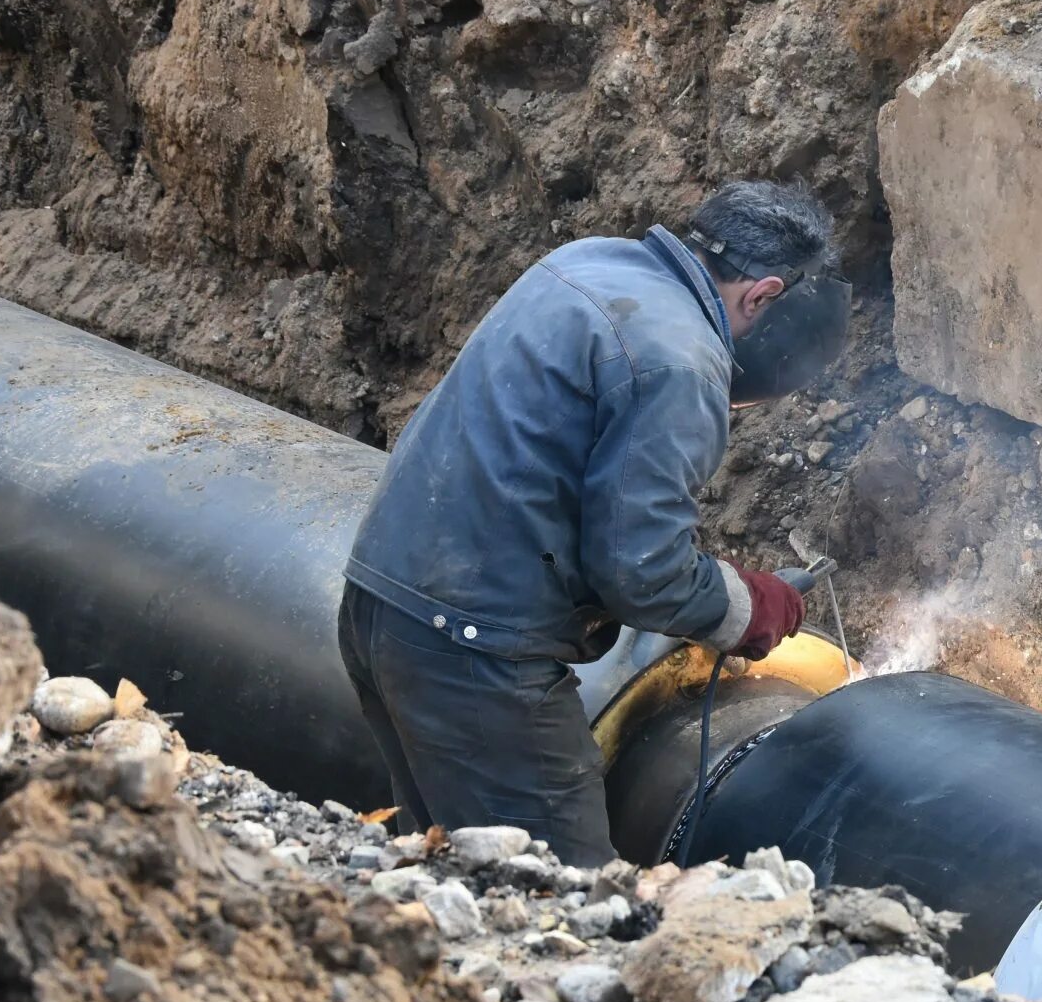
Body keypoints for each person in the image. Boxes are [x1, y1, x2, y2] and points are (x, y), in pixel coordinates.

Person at [337, 181, 847, 864]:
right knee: (565, 901)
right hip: (472, 651)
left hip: (379, 604)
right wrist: (748, 607)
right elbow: (641, 572)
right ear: (762, 295)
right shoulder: (680, 357)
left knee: (448, 870)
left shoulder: (585, 263)